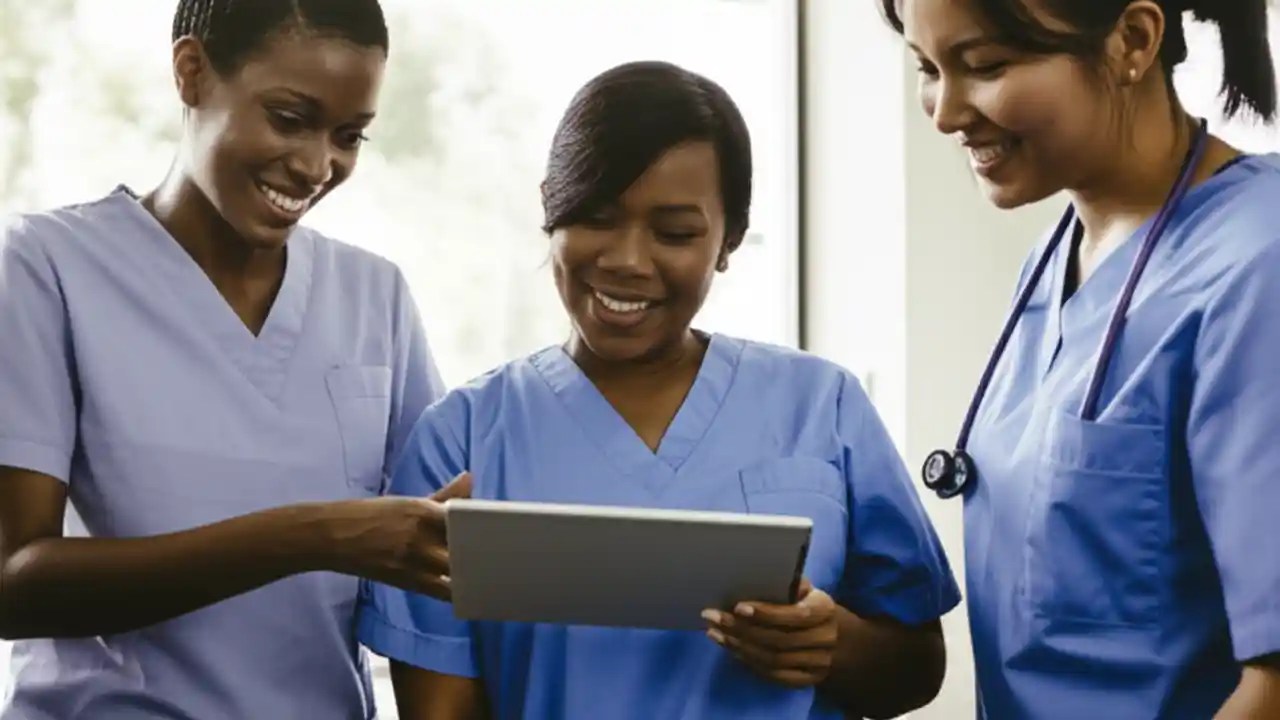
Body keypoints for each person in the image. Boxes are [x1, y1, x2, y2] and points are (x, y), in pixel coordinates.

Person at [356, 60, 961, 720]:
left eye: (675, 233)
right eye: (594, 217)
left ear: (728, 239)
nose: (627, 260)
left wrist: (833, 644)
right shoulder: (461, 438)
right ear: (549, 212)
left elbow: (917, 668)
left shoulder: (823, 407)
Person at [0, 1, 467, 718]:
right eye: (288, 118)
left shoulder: (375, 296)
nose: (317, 166)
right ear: (191, 73)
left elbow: (438, 557)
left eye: (348, 136)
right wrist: (314, 535)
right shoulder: (46, 269)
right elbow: (12, 584)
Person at [883, 0, 1280, 716]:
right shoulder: (1053, 256)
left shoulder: (1259, 263)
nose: (944, 113)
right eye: (927, 69)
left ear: (1132, 40)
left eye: (986, 66)